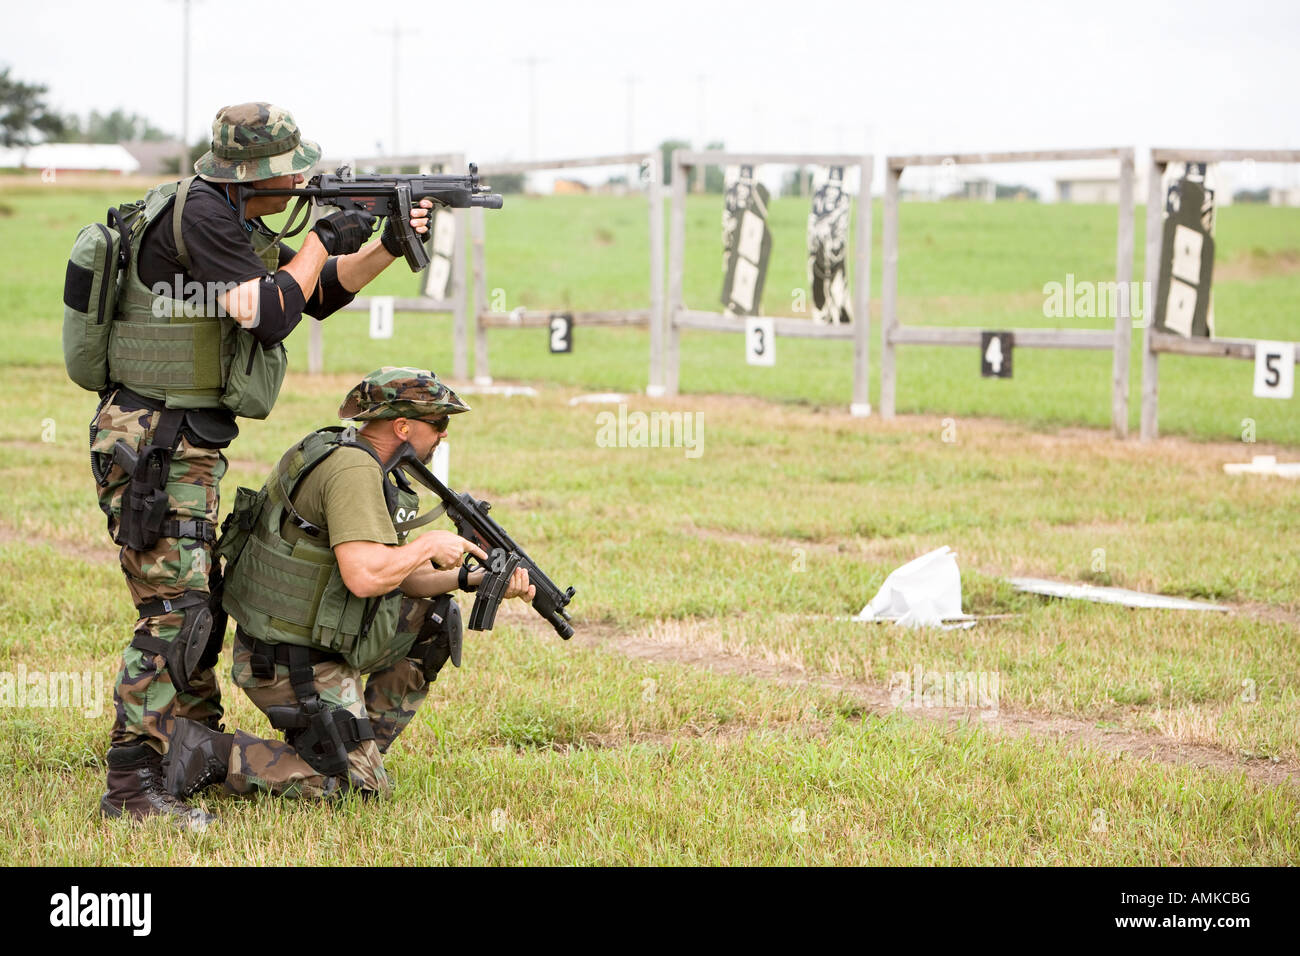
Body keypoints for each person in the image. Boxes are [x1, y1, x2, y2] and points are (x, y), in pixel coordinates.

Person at [93, 103, 440, 828]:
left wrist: (386, 243)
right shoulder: (201, 217)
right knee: (173, 614)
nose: (303, 180)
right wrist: (319, 234)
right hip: (153, 440)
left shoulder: (224, 215)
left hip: (176, 438)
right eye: (293, 173)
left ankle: (185, 750)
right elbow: (272, 311)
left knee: (197, 608)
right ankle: (132, 786)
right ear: (254, 176)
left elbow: (311, 294)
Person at [161, 368, 534, 803]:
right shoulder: (353, 471)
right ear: (403, 427)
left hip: (311, 637)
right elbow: (364, 576)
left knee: (433, 615)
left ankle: (347, 746)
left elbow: (395, 574)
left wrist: (470, 578)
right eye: (439, 426)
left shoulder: (354, 457)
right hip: (289, 661)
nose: (443, 437)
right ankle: (213, 753)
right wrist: (428, 543)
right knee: (355, 790)